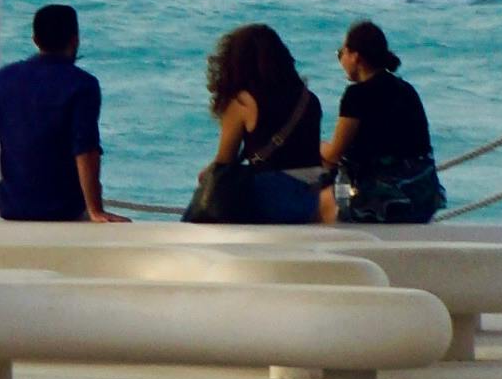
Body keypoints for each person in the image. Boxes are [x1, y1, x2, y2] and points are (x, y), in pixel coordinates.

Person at [0, 0, 111, 227]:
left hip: (14, 209)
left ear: (35, 40)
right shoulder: (83, 85)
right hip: (65, 210)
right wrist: (95, 209)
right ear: (75, 40)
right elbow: (85, 149)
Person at [182, 18, 324, 223]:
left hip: (273, 197)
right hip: (308, 201)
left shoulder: (243, 100)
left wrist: (208, 174)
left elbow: (225, 160)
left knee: (205, 201)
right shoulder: (308, 99)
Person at [318, 15, 446, 227]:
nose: (341, 59)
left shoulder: (356, 96)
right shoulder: (406, 90)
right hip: (421, 197)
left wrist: (315, 144)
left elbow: (334, 154)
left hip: (381, 203)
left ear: (355, 57)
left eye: (341, 53)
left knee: (317, 201)